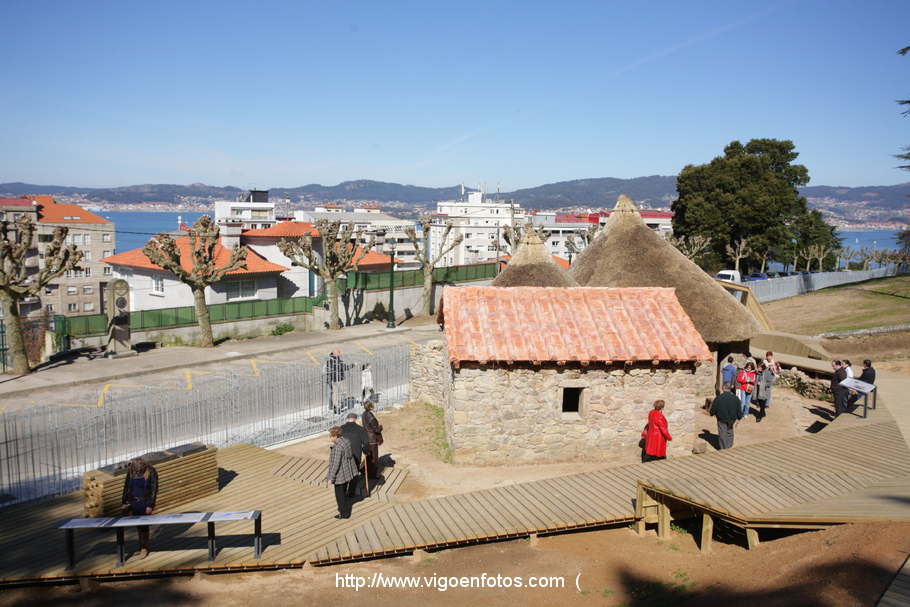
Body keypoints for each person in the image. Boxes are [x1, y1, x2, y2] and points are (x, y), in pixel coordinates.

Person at [121, 457, 158, 559]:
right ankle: (140, 546)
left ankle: (145, 548)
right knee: (138, 525)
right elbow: (127, 487)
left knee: (144, 526)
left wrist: (150, 505)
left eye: (139, 471)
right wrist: (124, 502)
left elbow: (154, 489)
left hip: (145, 502)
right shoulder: (131, 470)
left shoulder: (151, 471)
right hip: (134, 502)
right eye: (136, 471)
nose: (137, 473)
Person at [326, 426, 358, 519]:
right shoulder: (346, 440)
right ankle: (344, 507)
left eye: (331, 436)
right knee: (343, 491)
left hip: (341, 474)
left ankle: (344, 513)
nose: (330, 438)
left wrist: (331, 478)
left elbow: (335, 464)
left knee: (339, 496)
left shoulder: (337, 448)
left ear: (335, 436)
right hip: (348, 471)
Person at [340, 412, 370, 498]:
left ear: (347, 419)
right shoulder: (360, 429)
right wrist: (366, 451)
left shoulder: (341, 428)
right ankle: (351, 492)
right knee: (354, 473)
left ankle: (343, 491)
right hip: (356, 455)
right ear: (355, 419)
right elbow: (366, 443)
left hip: (343, 454)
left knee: (344, 472)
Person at [710, 385, 742, 449]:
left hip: (721, 419)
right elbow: (739, 409)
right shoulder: (735, 398)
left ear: (723, 389)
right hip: (732, 419)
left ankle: (724, 448)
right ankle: (729, 445)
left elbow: (713, 409)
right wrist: (739, 417)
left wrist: (712, 413)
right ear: (730, 389)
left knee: (722, 433)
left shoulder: (718, 398)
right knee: (730, 431)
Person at [362, 400, 384, 479]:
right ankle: (373, 475)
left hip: (366, 438)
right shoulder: (370, 416)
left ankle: (366, 471)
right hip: (372, 439)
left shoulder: (364, 414)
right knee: (374, 457)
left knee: (368, 456)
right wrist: (380, 427)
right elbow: (376, 429)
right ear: (370, 406)